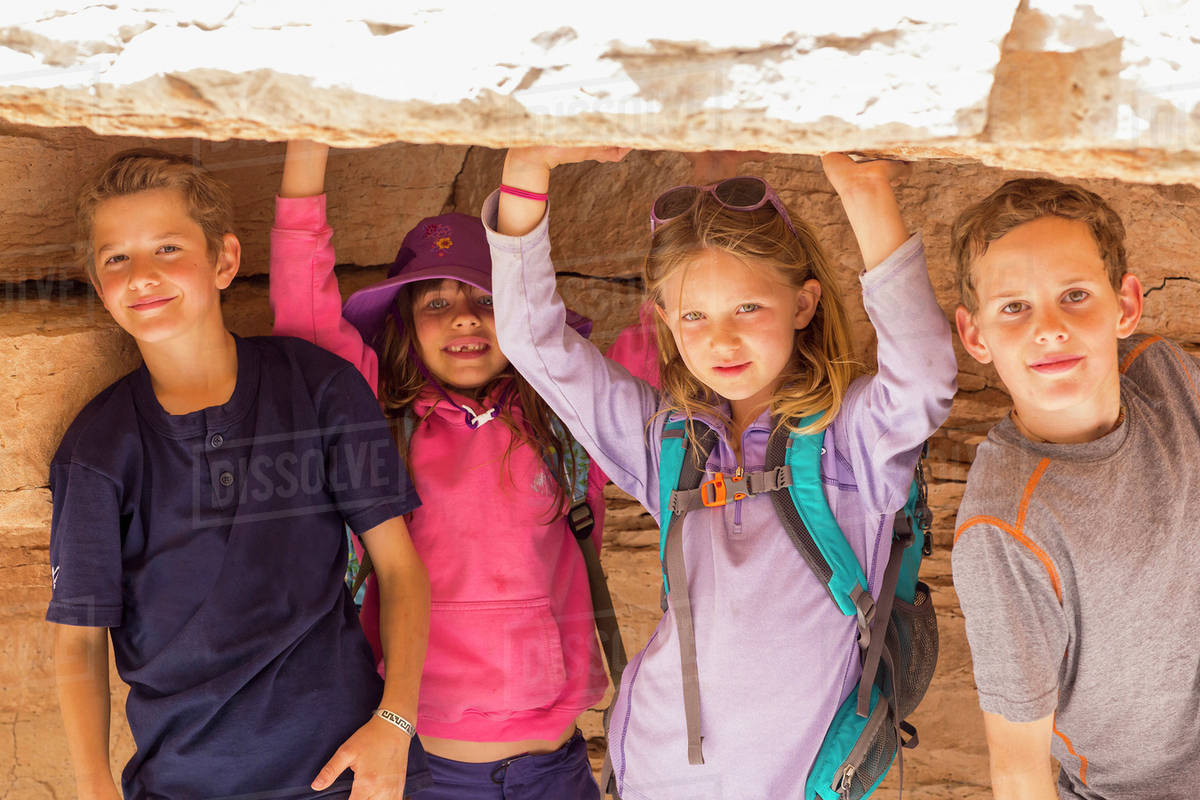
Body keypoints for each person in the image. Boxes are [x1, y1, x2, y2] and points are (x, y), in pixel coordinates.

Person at [486, 147, 957, 798]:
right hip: (652, 773)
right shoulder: (671, 445)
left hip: (793, 783)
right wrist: (527, 167)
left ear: (803, 303)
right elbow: (533, 344)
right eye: (694, 317)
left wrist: (866, 194)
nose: (722, 341)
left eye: (748, 309)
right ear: (669, 327)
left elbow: (924, 379)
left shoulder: (850, 440)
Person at [47, 149, 432, 800]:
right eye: (117, 259)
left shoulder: (318, 388)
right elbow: (79, 639)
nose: (142, 275)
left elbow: (399, 569)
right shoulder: (97, 450)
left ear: (225, 260)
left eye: (168, 248)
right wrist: (93, 788)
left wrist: (394, 724)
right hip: (186, 786)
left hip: (353, 774)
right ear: (98, 284)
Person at [270, 140, 611, 800]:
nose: (463, 317)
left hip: (558, 771)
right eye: (436, 303)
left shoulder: (568, 416)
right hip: (423, 771)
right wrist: (307, 141)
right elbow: (304, 312)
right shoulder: (379, 424)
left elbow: (674, 341)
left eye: (487, 300)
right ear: (405, 326)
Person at [950, 178, 1200, 800]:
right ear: (974, 335)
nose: (1050, 327)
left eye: (1075, 295)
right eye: (1014, 307)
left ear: (1127, 305)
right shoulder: (1007, 527)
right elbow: (1017, 769)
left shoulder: (1164, 373)